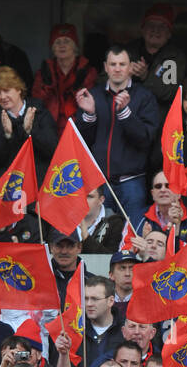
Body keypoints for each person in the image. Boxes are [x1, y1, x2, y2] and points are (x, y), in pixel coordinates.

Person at [74, 45, 159, 227]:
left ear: (130, 68)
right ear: (105, 67)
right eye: (113, 64)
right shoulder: (93, 95)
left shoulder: (144, 97)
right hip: (99, 183)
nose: (118, 69)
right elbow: (82, 142)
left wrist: (125, 114)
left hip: (132, 182)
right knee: (99, 238)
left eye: (122, 64)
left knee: (133, 236)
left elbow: (146, 139)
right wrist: (89, 114)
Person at [32, 24, 97, 132]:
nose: (62, 45)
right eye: (57, 42)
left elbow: (92, 105)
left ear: (75, 46)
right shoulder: (44, 72)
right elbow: (37, 101)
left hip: (79, 129)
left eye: (67, 41)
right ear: (52, 47)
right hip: (49, 130)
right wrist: (48, 86)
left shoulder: (87, 71)